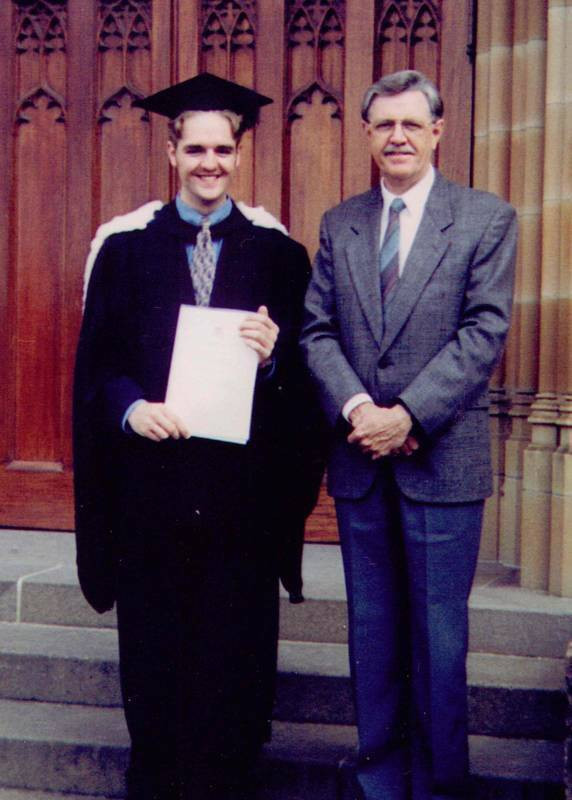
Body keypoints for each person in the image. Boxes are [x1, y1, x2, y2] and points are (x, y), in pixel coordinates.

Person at [73, 72, 323, 800]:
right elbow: (99, 364)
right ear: (172, 152)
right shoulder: (125, 250)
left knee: (234, 660)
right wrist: (129, 408)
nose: (209, 162)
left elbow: (305, 378)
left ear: (240, 153)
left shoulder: (279, 254)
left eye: (222, 148)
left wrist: (277, 355)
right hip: (151, 492)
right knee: (154, 661)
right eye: (195, 148)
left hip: (240, 501)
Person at [300, 70, 517, 800]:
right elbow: (317, 329)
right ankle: (379, 784)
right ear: (366, 134)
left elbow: (483, 331)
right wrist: (361, 408)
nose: (396, 137)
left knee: (437, 640)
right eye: (383, 125)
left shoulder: (485, 218)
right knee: (373, 632)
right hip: (361, 458)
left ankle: (438, 787)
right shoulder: (342, 223)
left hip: (442, 459)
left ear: (436, 131)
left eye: (410, 125)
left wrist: (410, 414)